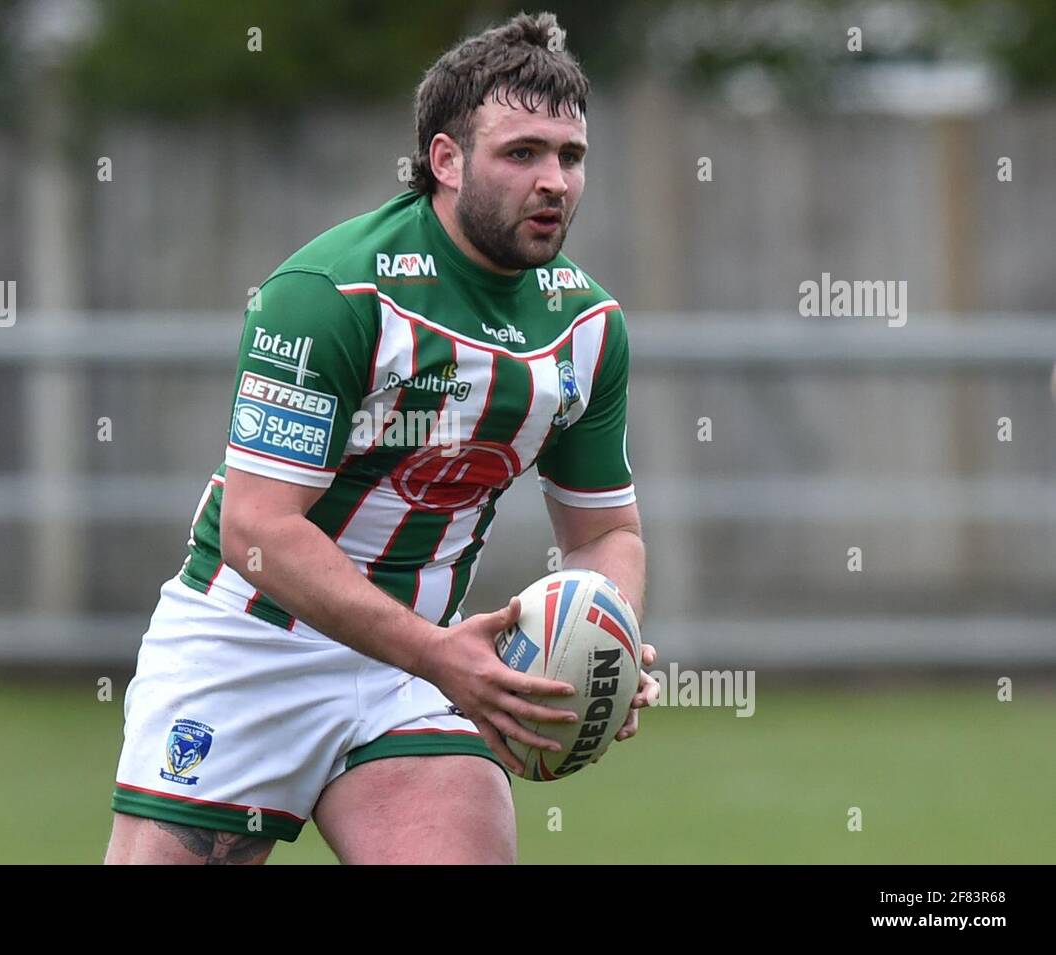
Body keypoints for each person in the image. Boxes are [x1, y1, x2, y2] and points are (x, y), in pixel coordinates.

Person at [105, 10, 659, 866]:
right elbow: (259, 529)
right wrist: (441, 655)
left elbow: (604, 533)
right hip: (252, 645)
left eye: (570, 156)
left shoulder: (585, 326)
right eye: (522, 153)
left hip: (415, 668)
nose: (554, 180)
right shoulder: (332, 292)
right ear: (446, 160)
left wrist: (604, 635)